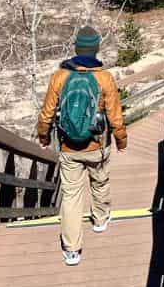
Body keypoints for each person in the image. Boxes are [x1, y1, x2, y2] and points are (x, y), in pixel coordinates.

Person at [37, 25, 128, 266]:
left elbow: (46, 114)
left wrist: (44, 138)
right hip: (97, 145)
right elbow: (115, 116)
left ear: (77, 48)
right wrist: (121, 141)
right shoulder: (104, 78)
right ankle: (100, 220)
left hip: (68, 148)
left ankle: (72, 249)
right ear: (96, 49)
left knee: (71, 196)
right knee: (100, 181)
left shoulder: (59, 77)